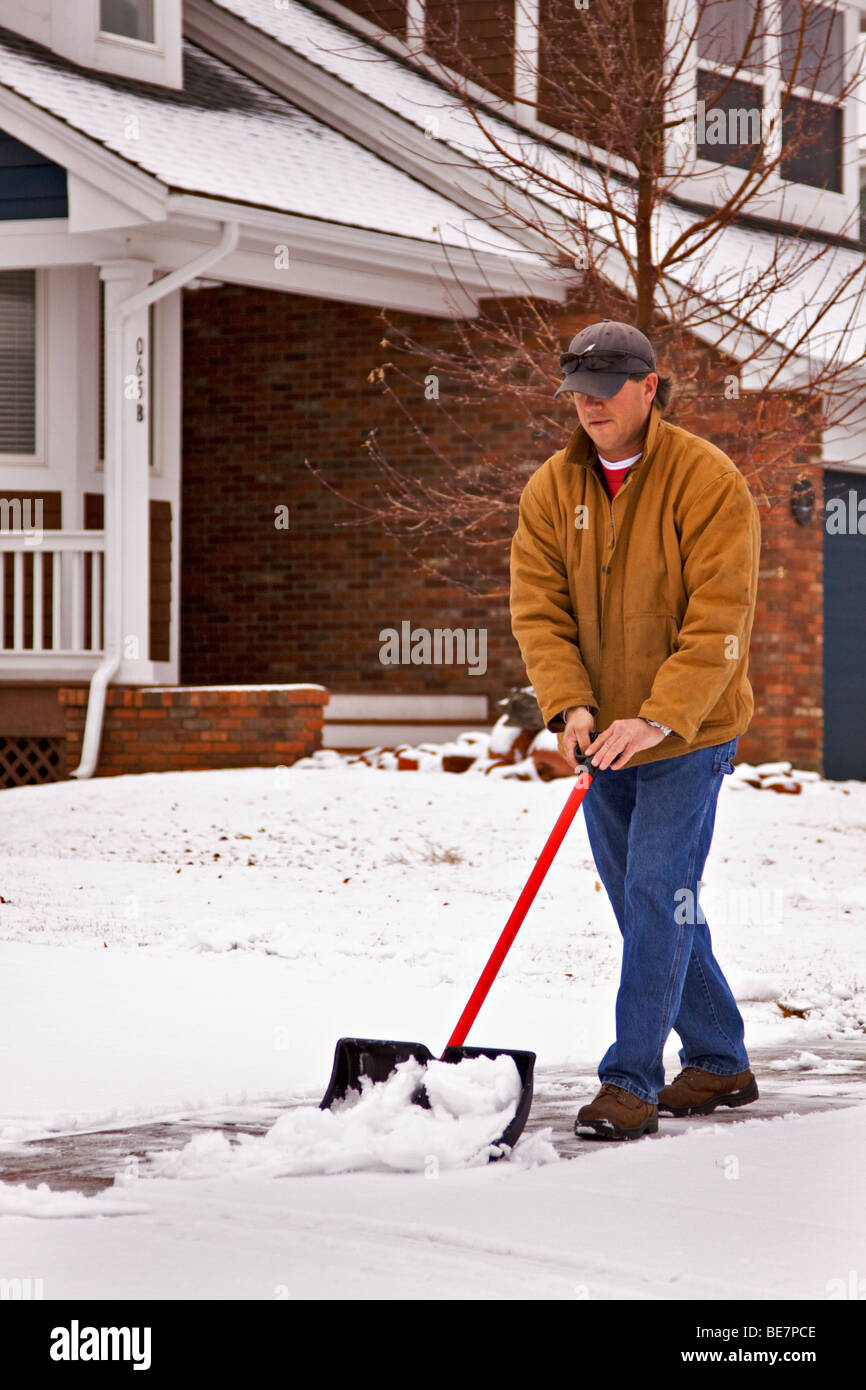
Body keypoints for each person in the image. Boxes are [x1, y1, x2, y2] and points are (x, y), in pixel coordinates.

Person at [510, 319, 762, 1140]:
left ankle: (630, 1082)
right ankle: (720, 1060)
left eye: (606, 387)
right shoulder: (553, 487)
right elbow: (538, 611)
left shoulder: (705, 479)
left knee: (657, 894)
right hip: (599, 737)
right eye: (577, 390)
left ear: (650, 386)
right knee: (644, 901)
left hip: (686, 735)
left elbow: (720, 621)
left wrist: (657, 716)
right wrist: (570, 704)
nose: (589, 405)